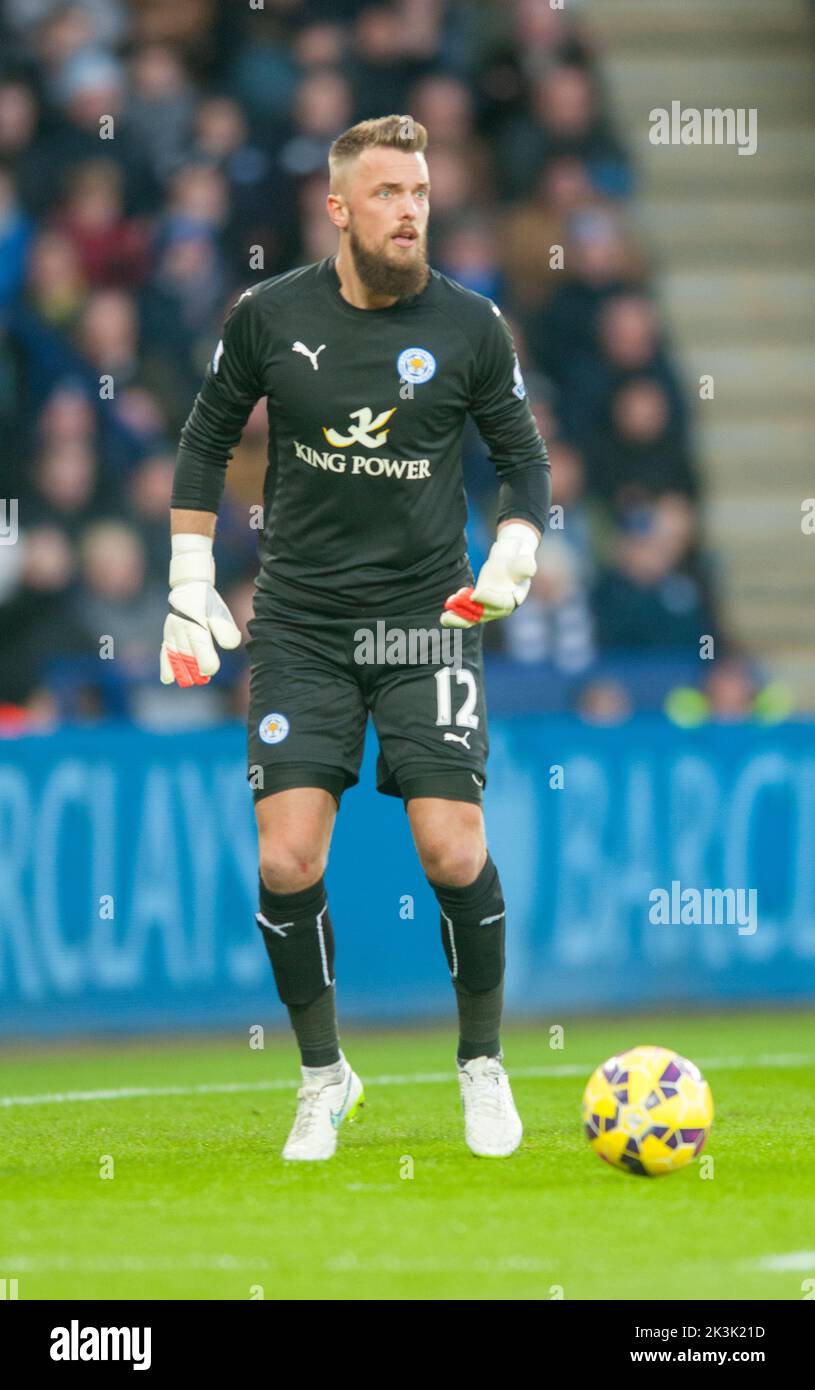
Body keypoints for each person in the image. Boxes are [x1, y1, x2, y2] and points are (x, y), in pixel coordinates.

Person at [162, 115, 550, 1162]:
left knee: (451, 845)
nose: (409, 210)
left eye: (418, 191)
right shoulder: (268, 316)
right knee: (287, 858)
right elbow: (206, 435)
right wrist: (188, 576)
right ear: (338, 208)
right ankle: (324, 1077)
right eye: (386, 193)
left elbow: (523, 458)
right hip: (301, 624)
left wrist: (515, 544)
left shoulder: (470, 324)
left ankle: (481, 1064)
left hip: (426, 621)